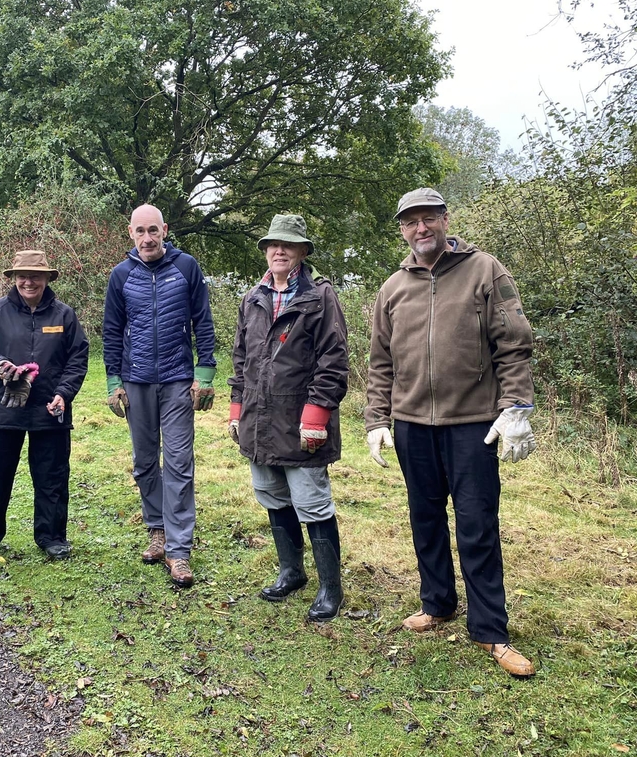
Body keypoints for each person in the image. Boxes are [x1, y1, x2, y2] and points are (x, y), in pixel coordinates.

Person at [364, 187, 538, 677]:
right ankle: (437, 603)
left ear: (445, 219)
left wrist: (515, 408)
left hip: (472, 424)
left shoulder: (486, 271)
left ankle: (490, 629)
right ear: (403, 230)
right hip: (412, 425)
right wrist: (377, 419)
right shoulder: (392, 288)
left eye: (429, 218)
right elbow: (380, 362)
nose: (420, 228)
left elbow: (513, 345)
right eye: (411, 221)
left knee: (477, 523)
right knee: (425, 518)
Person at [228, 214, 349, 621]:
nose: (279, 250)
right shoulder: (253, 298)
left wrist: (316, 415)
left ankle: (331, 587)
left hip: (300, 421)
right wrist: (236, 408)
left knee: (312, 502)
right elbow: (241, 359)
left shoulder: (320, 297)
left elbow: (333, 360)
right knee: (272, 495)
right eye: (273, 244)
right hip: (258, 419)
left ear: (302, 251)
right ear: (266, 250)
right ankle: (291, 572)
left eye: (288, 244)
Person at [102, 204, 216, 587]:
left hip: (178, 380)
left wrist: (204, 372)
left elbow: (203, 321)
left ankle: (179, 550)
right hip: (135, 380)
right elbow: (112, 331)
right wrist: (113, 382)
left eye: (153, 230)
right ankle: (158, 529)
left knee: (179, 462)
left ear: (164, 230)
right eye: (140, 231)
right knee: (145, 461)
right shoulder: (121, 275)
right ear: (130, 233)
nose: (147, 238)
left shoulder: (186, 268)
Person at [0, 250, 89, 561]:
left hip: (50, 408)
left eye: (35, 276)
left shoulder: (64, 315)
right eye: (22, 276)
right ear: (13, 278)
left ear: (47, 278)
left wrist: (64, 394)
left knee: (52, 477)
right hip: (2, 408)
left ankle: (52, 537)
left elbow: (77, 359)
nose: (28, 282)